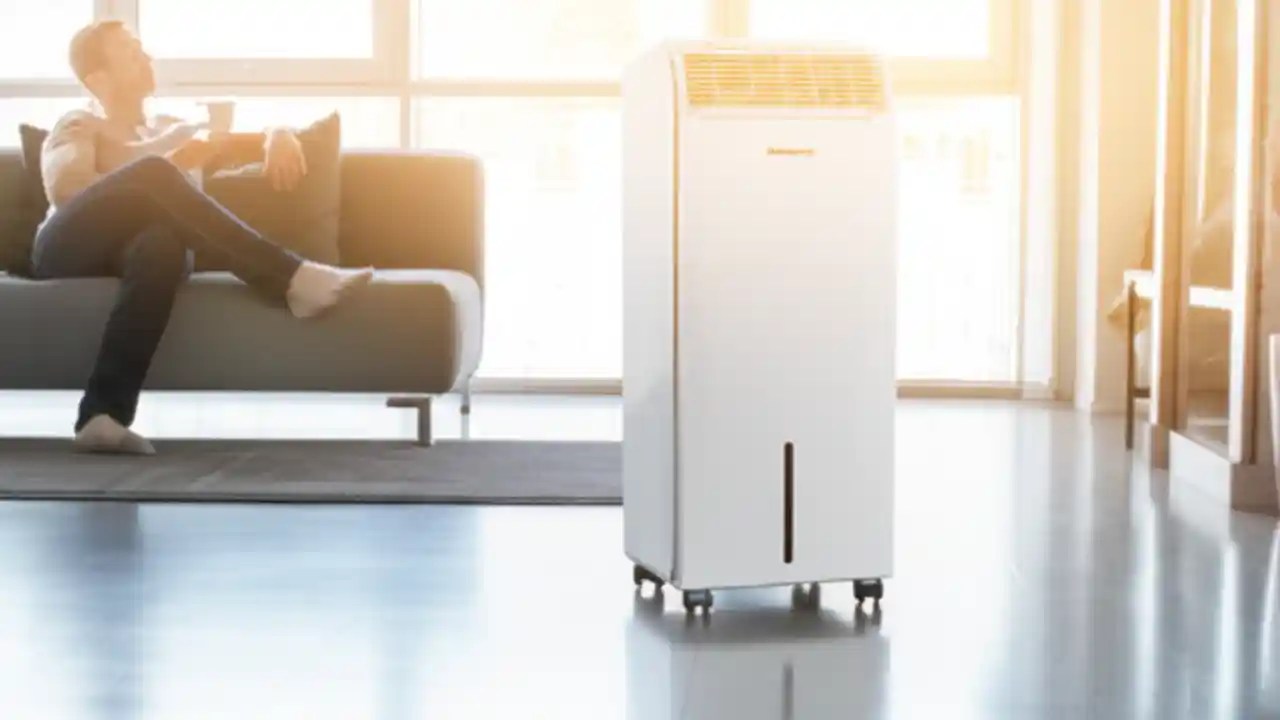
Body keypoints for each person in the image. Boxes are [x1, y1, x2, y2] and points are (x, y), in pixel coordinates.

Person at [33, 20, 374, 456]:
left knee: (162, 245)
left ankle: (102, 415)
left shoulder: (173, 126)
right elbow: (67, 189)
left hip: (134, 253)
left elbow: (234, 142)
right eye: (131, 52)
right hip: (68, 246)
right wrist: (161, 158)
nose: (147, 58)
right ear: (98, 79)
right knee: (158, 174)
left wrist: (279, 134)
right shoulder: (81, 124)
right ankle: (291, 278)